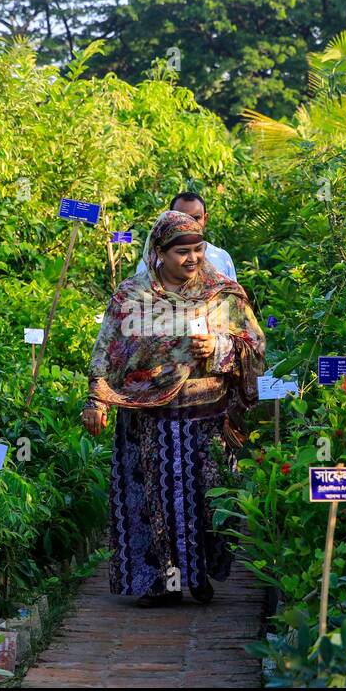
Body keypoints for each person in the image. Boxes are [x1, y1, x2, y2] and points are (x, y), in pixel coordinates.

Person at [82, 210, 265, 607]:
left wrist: (219, 349)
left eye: (198, 250)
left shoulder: (222, 294)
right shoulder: (132, 298)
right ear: (159, 253)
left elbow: (255, 345)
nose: (193, 258)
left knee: (205, 500)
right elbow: (107, 352)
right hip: (147, 417)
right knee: (152, 503)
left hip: (206, 415)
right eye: (182, 252)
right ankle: (156, 583)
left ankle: (199, 578)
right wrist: (96, 398)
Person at [135, 191, 237, 281]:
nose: (189, 223)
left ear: (205, 219)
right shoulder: (149, 264)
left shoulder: (221, 257)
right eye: (182, 218)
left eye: (196, 218)